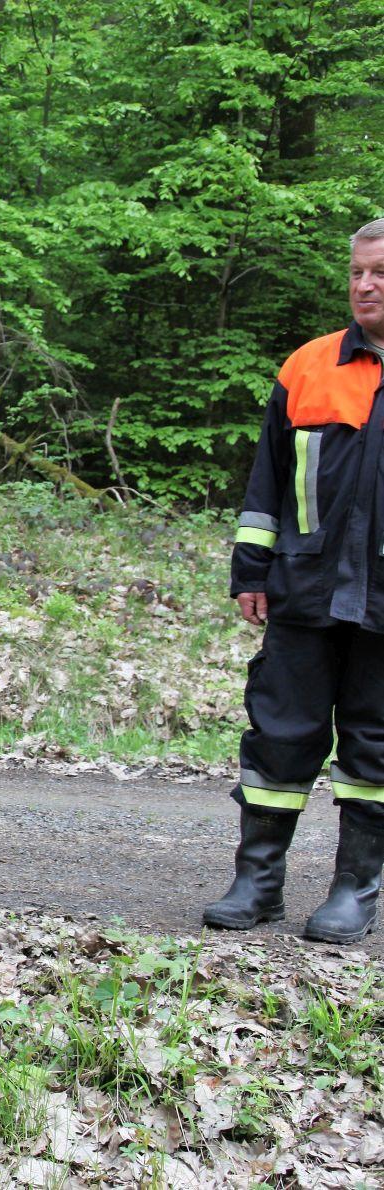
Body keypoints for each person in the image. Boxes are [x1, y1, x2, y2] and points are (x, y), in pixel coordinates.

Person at [205, 218, 384, 944]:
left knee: (373, 748)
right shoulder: (306, 367)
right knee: (278, 738)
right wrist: (251, 568)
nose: (364, 286)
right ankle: (256, 882)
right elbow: (266, 483)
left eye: (379, 274)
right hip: (302, 591)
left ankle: (355, 888)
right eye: (357, 273)